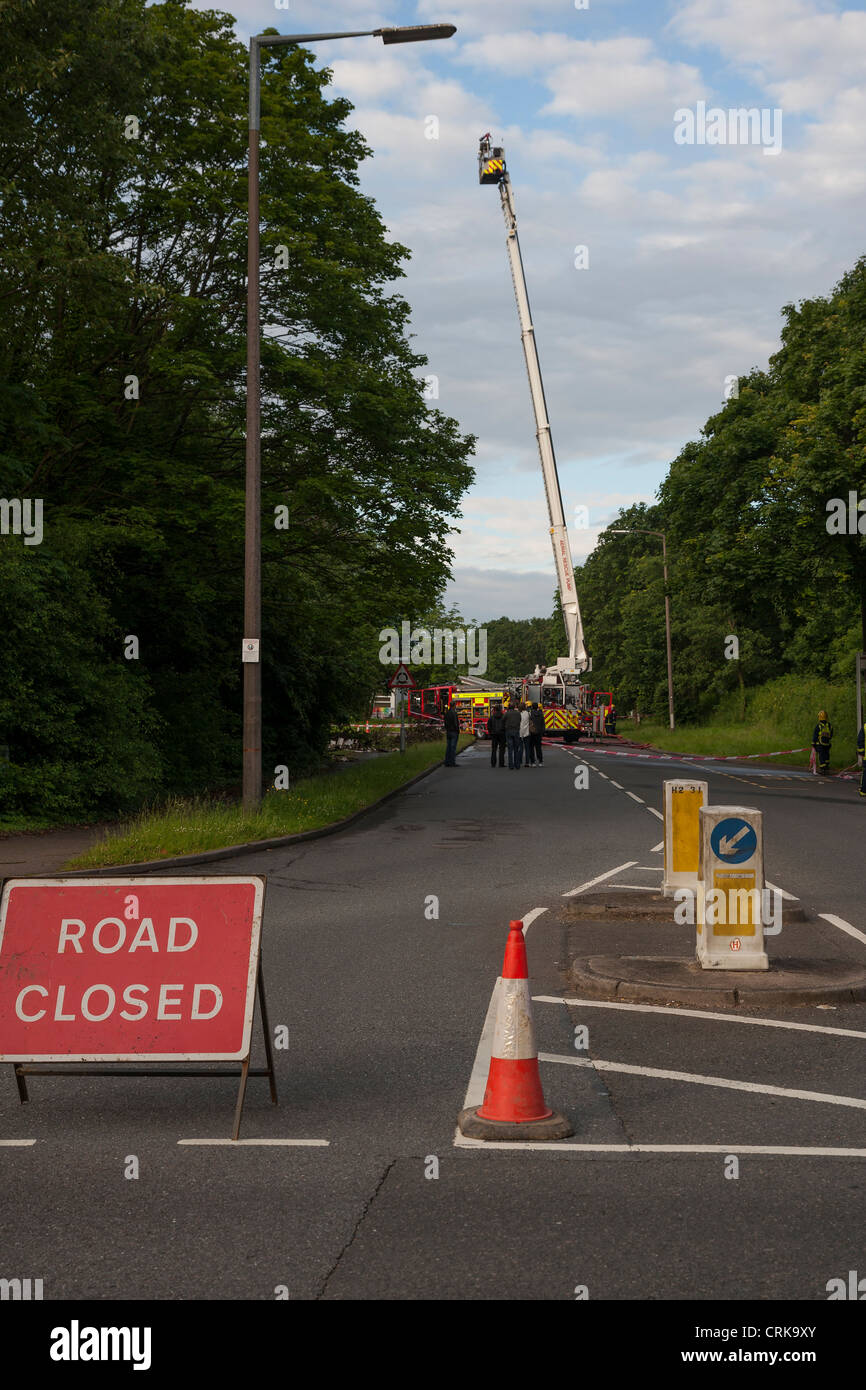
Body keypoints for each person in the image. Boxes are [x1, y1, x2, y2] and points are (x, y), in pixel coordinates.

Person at [812, 709, 833, 776]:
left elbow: (815, 735)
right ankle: (826, 768)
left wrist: (813, 743)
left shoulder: (818, 726)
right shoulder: (829, 725)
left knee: (821, 757)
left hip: (820, 744)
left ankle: (822, 770)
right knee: (827, 756)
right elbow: (831, 734)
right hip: (827, 744)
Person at [504, 702, 522, 769]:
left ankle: (511, 765)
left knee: (510, 749)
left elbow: (503, 720)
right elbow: (520, 720)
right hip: (516, 731)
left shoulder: (506, 713)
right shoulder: (518, 713)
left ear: (509, 707)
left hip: (508, 731)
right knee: (516, 749)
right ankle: (517, 765)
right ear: (514, 707)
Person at [443, 700, 460, 767]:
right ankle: (452, 762)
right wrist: (457, 730)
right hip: (454, 732)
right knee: (453, 748)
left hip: (448, 732)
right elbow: (456, 723)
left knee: (448, 747)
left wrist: (447, 729)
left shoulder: (446, 713)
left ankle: (447, 762)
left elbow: (445, 723)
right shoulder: (454, 713)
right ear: (454, 706)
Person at [529, 701, 545, 766]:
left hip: (532, 733)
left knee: (531, 748)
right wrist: (542, 732)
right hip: (539, 733)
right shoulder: (541, 714)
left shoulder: (530, 714)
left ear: (532, 707)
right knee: (538, 747)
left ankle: (533, 762)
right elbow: (543, 724)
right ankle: (540, 761)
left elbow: (529, 723)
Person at [519, 701, 533, 766]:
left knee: (520, 748)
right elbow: (530, 721)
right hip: (527, 732)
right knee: (527, 748)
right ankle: (527, 762)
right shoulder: (528, 713)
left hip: (520, 732)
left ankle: (520, 761)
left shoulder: (518, 714)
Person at [858, 723, 865, 798]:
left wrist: (861, 752)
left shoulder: (865, 727)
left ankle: (863, 791)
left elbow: (860, 740)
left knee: (865, 773)